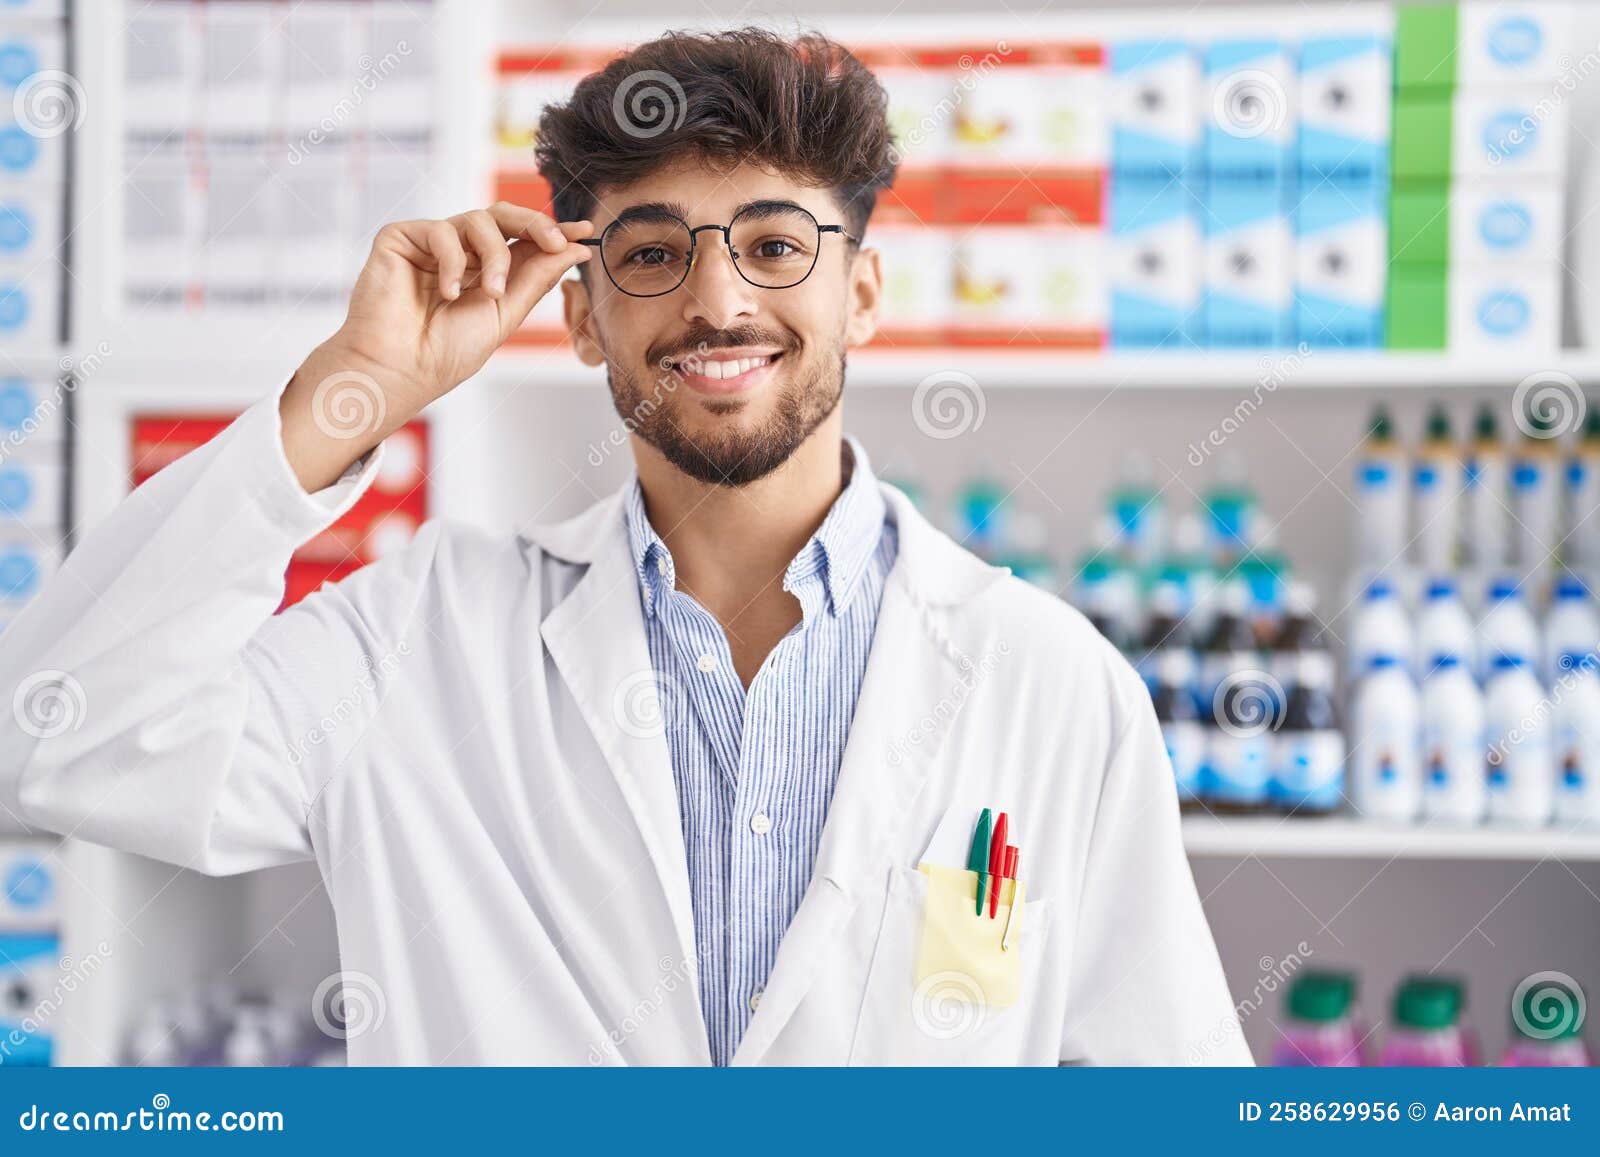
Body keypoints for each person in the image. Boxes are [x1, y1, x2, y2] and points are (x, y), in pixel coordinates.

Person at [0, 27, 1248, 1066]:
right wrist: (356, 388)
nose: (717, 302)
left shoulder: (1050, 681)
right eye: (652, 254)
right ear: (585, 320)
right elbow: (59, 734)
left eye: (774, 246)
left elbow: (1160, 1089)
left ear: (860, 294)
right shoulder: (420, 636)